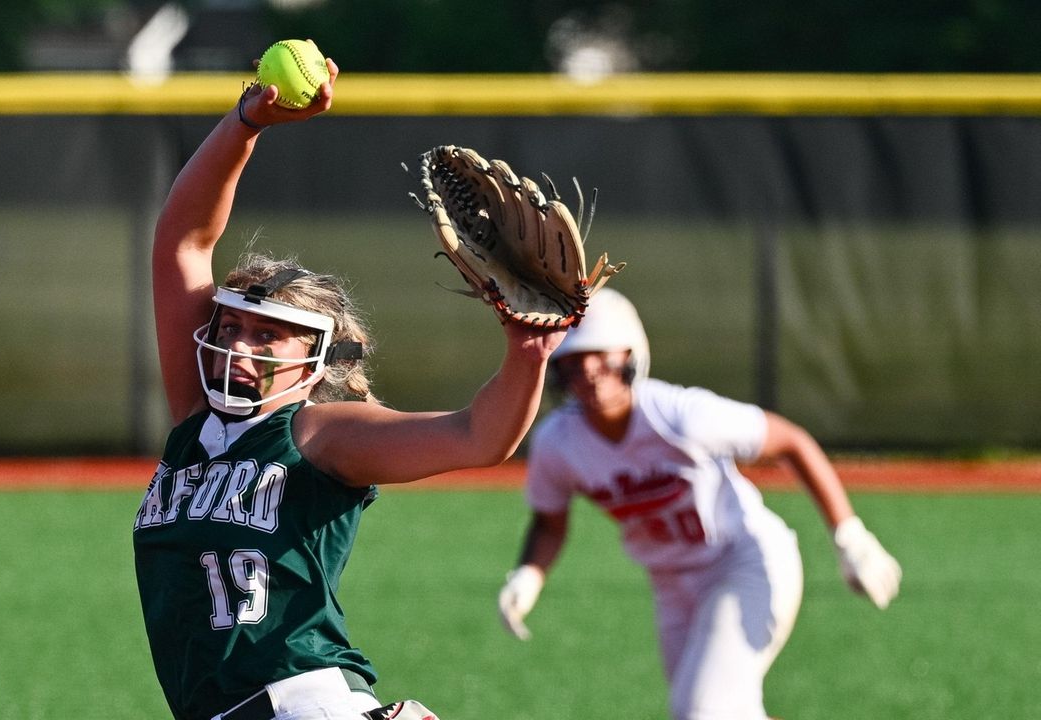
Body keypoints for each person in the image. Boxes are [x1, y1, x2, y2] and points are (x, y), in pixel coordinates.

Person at [131, 56, 566, 720]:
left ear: (315, 356)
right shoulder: (195, 418)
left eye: (266, 335)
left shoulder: (317, 432)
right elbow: (181, 244)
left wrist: (527, 351)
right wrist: (244, 123)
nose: (238, 346)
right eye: (232, 326)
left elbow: (478, 437)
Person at [496, 288, 902, 720]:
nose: (590, 370)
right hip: (671, 584)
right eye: (574, 360)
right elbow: (549, 523)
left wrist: (850, 536)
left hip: (742, 561)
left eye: (600, 354)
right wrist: (529, 575)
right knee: (726, 712)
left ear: (631, 352)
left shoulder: (677, 414)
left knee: (703, 712)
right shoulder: (558, 442)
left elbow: (791, 442)